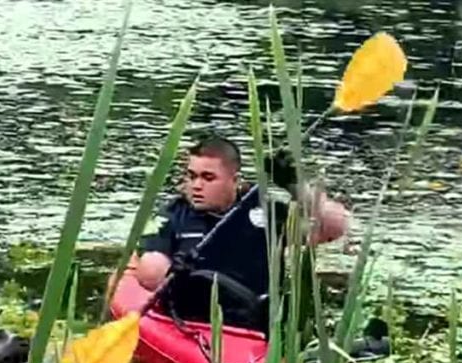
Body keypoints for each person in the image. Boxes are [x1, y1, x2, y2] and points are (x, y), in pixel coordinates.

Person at [117, 133, 351, 332]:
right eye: (192, 176)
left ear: (234, 181)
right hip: (194, 320)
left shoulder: (263, 212)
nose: (197, 185)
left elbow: (334, 227)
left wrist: (296, 187)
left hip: (254, 322)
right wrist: (174, 274)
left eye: (208, 178)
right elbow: (149, 269)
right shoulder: (174, 214)